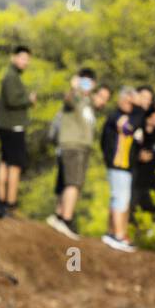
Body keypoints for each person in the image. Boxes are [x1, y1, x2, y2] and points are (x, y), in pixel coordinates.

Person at [46, 70, 107, 239]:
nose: (87, 85)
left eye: (90, 82)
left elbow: (97, 106)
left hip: (81, 146)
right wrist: (74, 88)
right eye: (84, 81)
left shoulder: (87, 101)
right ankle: (66, 219)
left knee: (69, 182)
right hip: (73, 146)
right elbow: (68, 100)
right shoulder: (76, 96)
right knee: (74, 183)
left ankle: (59, 215)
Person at [100, 87, 139, 252]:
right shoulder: (118, 116)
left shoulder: (123, 116)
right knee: (120, 198)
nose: (131, 105)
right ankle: (117, 235)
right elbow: (129, 128)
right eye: (129, 101)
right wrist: (141, 109)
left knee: (121, 198)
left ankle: (113, 233)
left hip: (123, 165)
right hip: (118, 164)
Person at [0, 45, 34, 212]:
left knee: (5, 161)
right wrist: (28, 100)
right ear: (14, 57)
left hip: (7, 126)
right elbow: (12, 100)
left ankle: (1, 199)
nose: (25, 62)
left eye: (27, 59)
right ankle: (10, 203)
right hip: (13, 127)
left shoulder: (13, 76)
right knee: (14, 164)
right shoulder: (11, 77)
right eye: (23, 58)